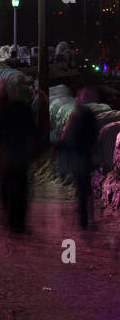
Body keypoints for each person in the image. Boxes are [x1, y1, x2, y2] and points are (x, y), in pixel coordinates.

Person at [0, 84, 37, 232]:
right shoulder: (25, 109)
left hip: (6, 153)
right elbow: (32, 131)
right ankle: (20, 221)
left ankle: (10, 218)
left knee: (7, 185)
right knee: (21, 187)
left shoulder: (2, 109)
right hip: (20, 153)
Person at [60, 88, 100, 229]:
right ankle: (88, 216)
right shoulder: (91, 116)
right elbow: (95, 136)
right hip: (86, 156)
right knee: (86, 187)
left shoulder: (76, 116)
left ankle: (83, 219)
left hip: (78, 157)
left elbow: (67, 137)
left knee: (81, 188)